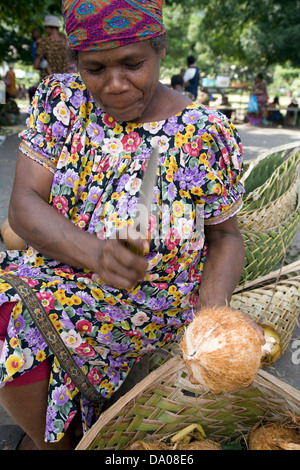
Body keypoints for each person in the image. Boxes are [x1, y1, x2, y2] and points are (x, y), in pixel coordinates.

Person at [0, 0, 264, 450]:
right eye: (95, 68)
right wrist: (95, 253)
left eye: (133, 64)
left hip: (151, 297)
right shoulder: (61, 101)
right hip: (59, 268)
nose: (115, 85)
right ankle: (62, 441)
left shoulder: (204, 132)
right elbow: (24, 205)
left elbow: (224, 235)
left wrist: (214, 311)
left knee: (11, 311)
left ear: (160, 50)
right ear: (76, 61)